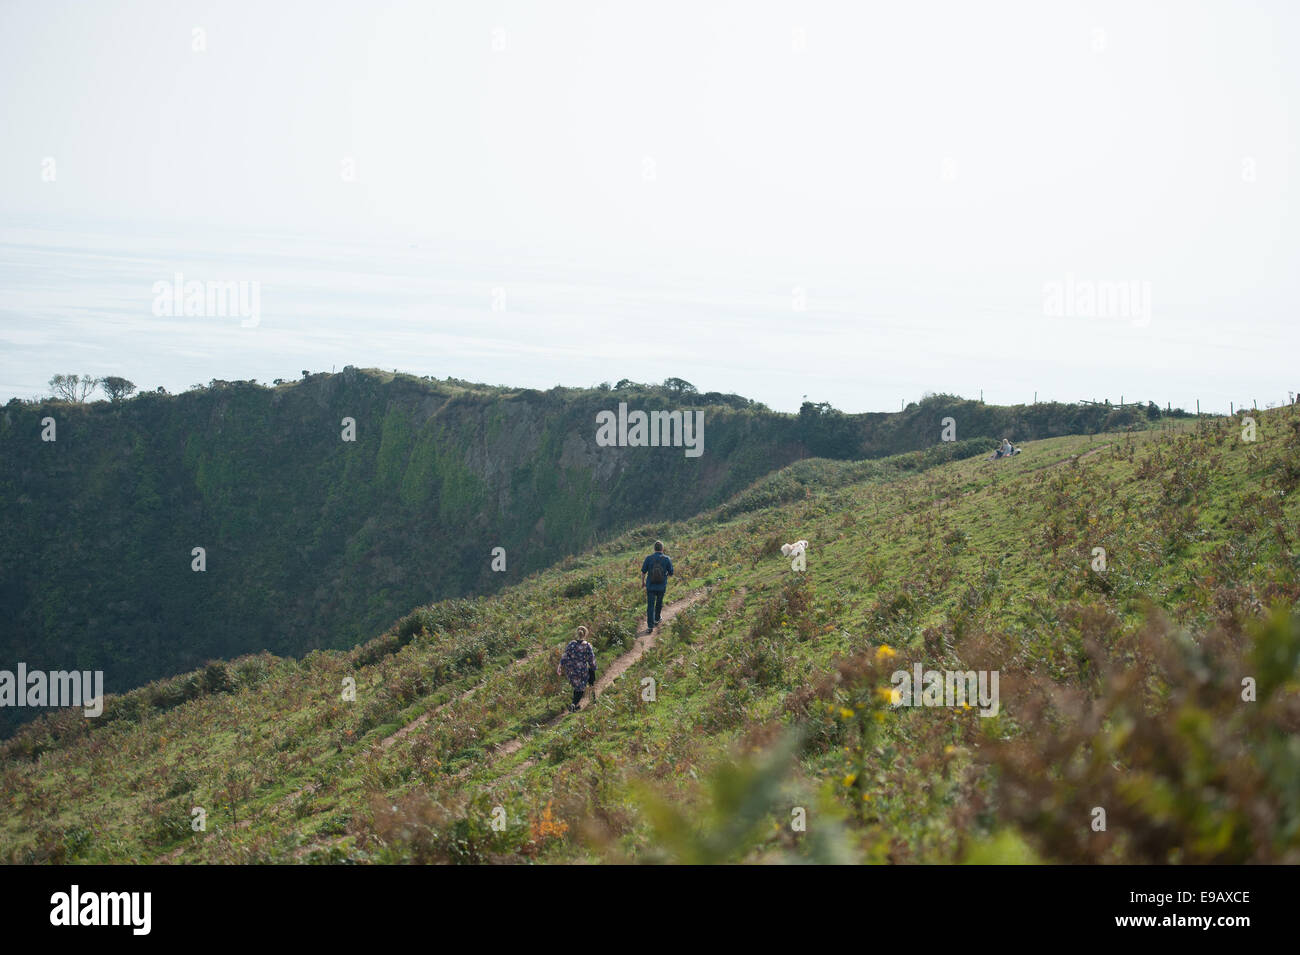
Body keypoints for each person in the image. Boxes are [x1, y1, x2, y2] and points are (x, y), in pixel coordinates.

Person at [557, 626, 597, 713]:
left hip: (571, 670)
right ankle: (573, 704)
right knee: (581, 688)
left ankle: (574, 706)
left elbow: (565, 655)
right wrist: (593, 668)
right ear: (585, 634)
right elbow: (591, 659)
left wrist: (560, 666)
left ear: (577, 633)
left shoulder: (571, 644)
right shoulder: (587, 646)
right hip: (581, 670)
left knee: (576, 687)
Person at [640, 540, 674, 633]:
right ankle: (657, 619)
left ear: (654, 549)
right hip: (661, 586)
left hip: (650, 586)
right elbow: (671, 573)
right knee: (659, 603)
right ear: (662, 549)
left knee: (650, 606)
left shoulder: (648, 558)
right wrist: (666, 574)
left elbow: (643, 572)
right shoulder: (667, 559)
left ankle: (650, 627)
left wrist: (643, 583)